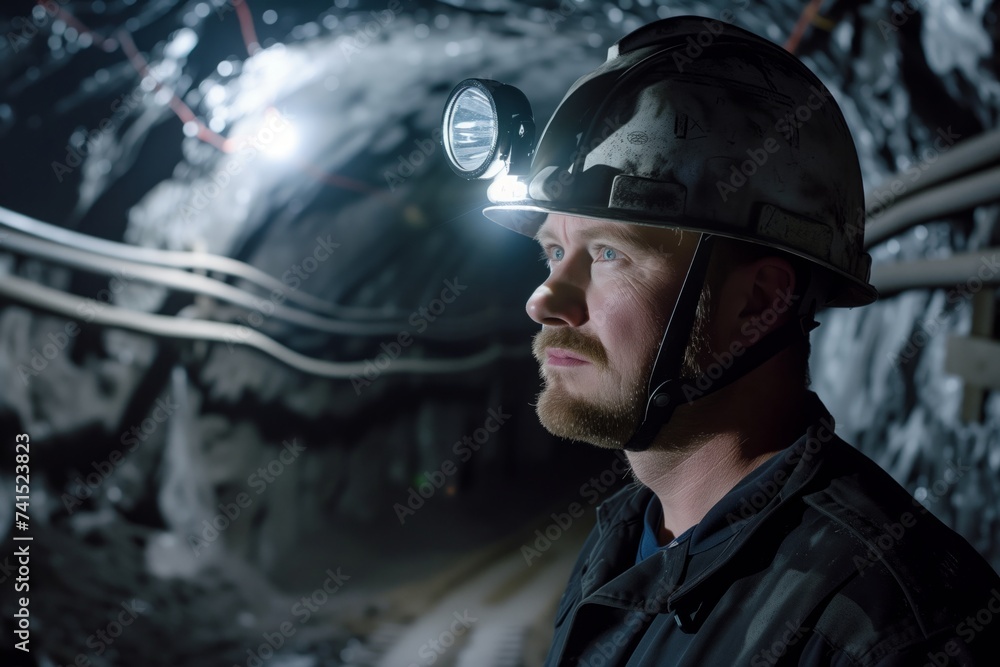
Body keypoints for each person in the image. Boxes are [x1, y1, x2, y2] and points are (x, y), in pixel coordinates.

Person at [441, 15, 1000, 667]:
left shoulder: (887, 629)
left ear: (758, 302)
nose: (545, 299)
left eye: (610, 253)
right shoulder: (627, 543)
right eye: (554, 252)